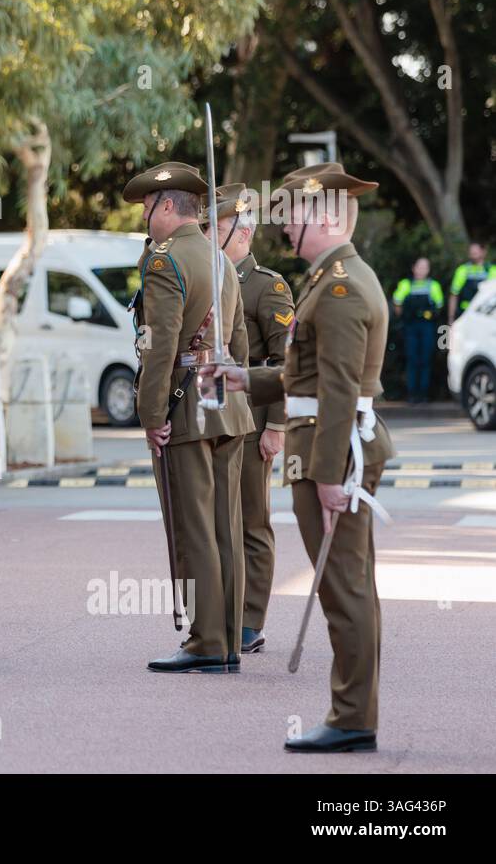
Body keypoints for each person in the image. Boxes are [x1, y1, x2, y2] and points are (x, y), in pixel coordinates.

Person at [203, 161, 395, 753]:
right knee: (346, 584)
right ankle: (351, 712)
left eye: (295, 218)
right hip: (325, 446)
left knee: (344, 588)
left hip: (332, 453)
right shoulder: (331, 278)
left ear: (329, 217)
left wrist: (333, 476)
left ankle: (352, 717)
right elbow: (301, 376)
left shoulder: (338, 287)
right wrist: (241, 378)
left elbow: (337, 391)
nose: (285, 230)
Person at [126, 161, 252, 674]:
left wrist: (151, 413)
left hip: (186, 405)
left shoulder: (164, 261)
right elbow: (238, 339)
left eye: (147, 208)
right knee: (226, 526)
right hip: (227, 400)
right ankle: (228, 640)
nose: (144, 217)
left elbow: (159, 347)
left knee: (195, 527)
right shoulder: (223, 261)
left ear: (169, 208)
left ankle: (205, 641)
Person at [202, 183, 292, 655]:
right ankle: (223, 611)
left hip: (254, 419)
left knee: (252, 521)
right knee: (221, 520)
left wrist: (276, 425)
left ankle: (250, 619)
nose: (205, 235)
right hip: (216, 418)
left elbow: (286, 363)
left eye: (213, 228)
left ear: (242, 231)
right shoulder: (208, 275)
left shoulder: (267, 286)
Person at [392, 257, 444, 404]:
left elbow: (439, 306)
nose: (422, 270)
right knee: (412, 359)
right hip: (410, 326)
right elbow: (397, 302)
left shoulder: (433, 285)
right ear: (413, 268)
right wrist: (404, 316)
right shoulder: (406, 284)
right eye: (419, 266)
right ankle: (412, 394)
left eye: (425, 267)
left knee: (425, 360)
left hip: (427, 326)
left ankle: (423, 394)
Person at [447, 242, 490, 324]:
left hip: (486, 315)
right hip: (465, 313)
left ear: (483, 252)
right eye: (471, 251)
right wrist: (451, 318)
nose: (473, 253)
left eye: (475, 251)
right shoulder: (462, 270)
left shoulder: (492, 270)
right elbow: (453, 295)